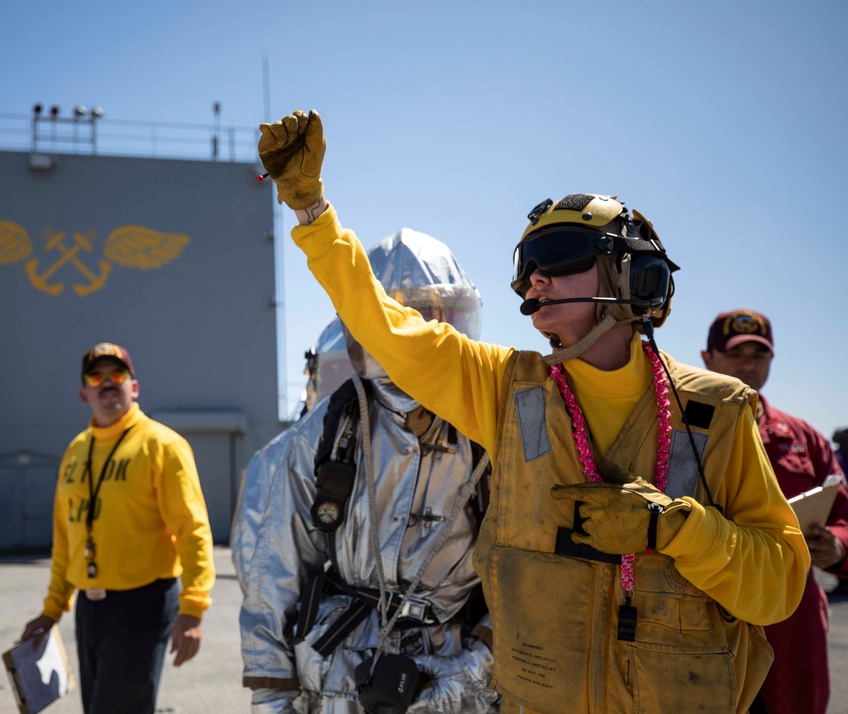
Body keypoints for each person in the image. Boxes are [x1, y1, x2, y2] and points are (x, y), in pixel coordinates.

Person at [256, 109, 810, 713]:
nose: (535, 280)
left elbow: (779, 586)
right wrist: (312, 211)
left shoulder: (715, 411)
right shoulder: (504, 387)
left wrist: (675, 530)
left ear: (630, 274)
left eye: (560, 255)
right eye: (527, 266)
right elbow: (384, 326)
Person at [232, 229, 499, 714]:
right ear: (366, 329)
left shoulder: (493, 433)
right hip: (338, 684)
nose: (428, 334)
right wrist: (272, 700)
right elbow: (274, 578)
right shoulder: (324, 433)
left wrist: (475, 667)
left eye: (444, 315)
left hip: (455, 682)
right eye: (406, 318)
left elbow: (527, 574)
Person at [19, 342, 216, 714]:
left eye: (117, 375)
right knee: (96, 705)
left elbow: (193, 529)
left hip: (142, 602)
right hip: (89, 609)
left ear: (134, 387)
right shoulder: (76, 451)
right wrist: (52, 609)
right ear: (84, 393)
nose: (108, 383)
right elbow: (66, 537)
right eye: (97, 376)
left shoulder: (162, 445)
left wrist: (193, 607)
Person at [701, 309, 848, 714]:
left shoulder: (804, 437)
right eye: (736, 353)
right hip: (706, 611)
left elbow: (843, 514)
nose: (748, 364)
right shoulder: (679, 427)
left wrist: (837, 545)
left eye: (759, 354)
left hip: (792, 618)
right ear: (707, 358)